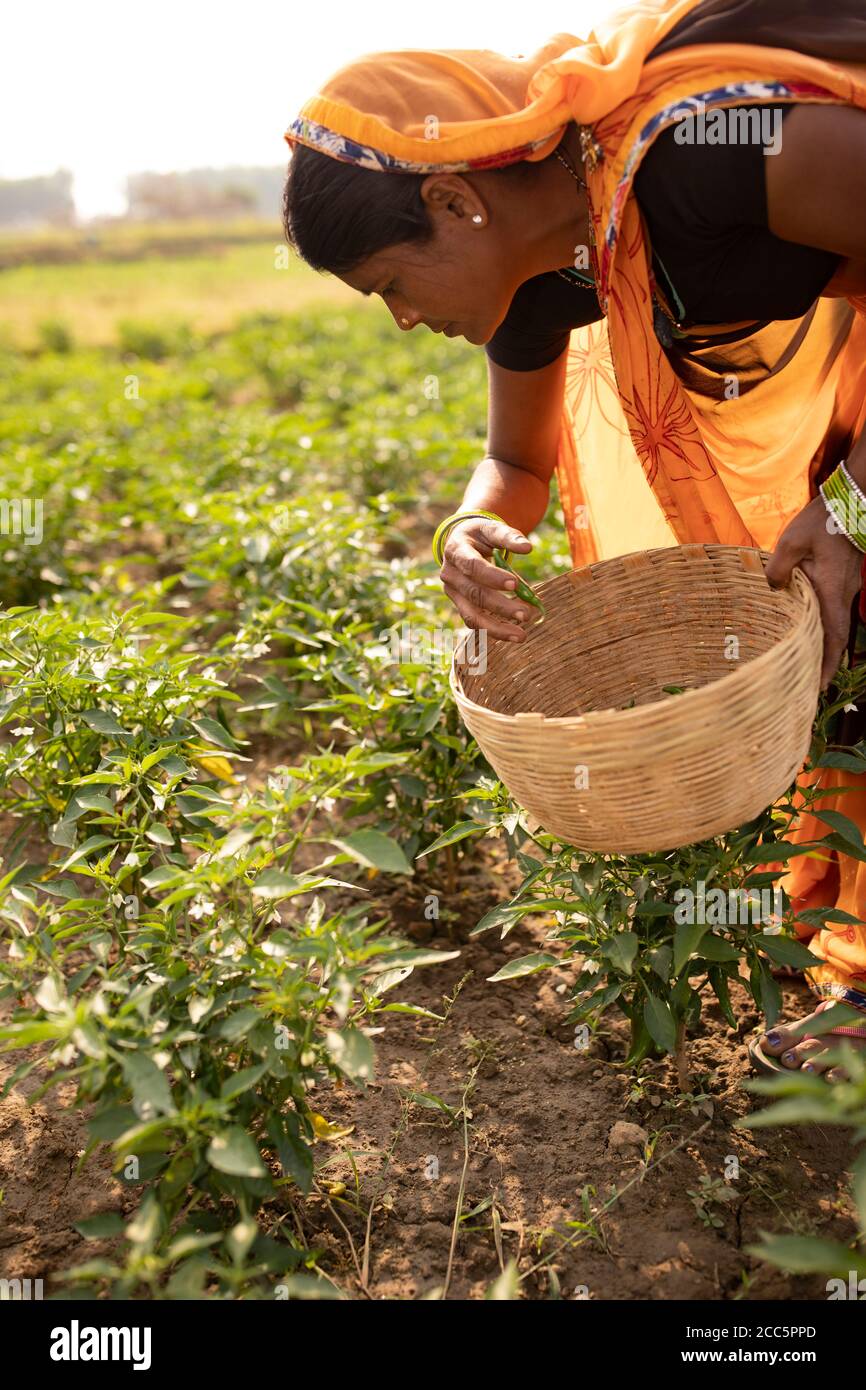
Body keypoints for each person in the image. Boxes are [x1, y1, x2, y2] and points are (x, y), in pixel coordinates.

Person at [282, 0, 866, 1077]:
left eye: (391, 289)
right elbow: (518, 465)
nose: (402, 320)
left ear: (455, 200)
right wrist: (468, 527)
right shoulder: (545, 274)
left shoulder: (700, 154)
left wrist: (850, 512)